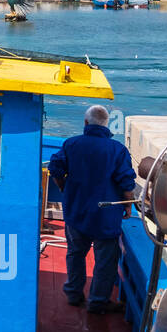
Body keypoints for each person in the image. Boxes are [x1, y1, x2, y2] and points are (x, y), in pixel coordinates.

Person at [48, 104, 137, 315]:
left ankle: (73, 294)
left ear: (86, 122)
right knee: (105, 260)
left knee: (75, 253)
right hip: (105, 216)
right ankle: (97, 302)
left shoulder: (71, 144)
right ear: (106, 124)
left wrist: (64, 188)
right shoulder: (117, 150)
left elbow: (55, 168)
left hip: (76, 211)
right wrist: (127, 205)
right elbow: (126, 182)